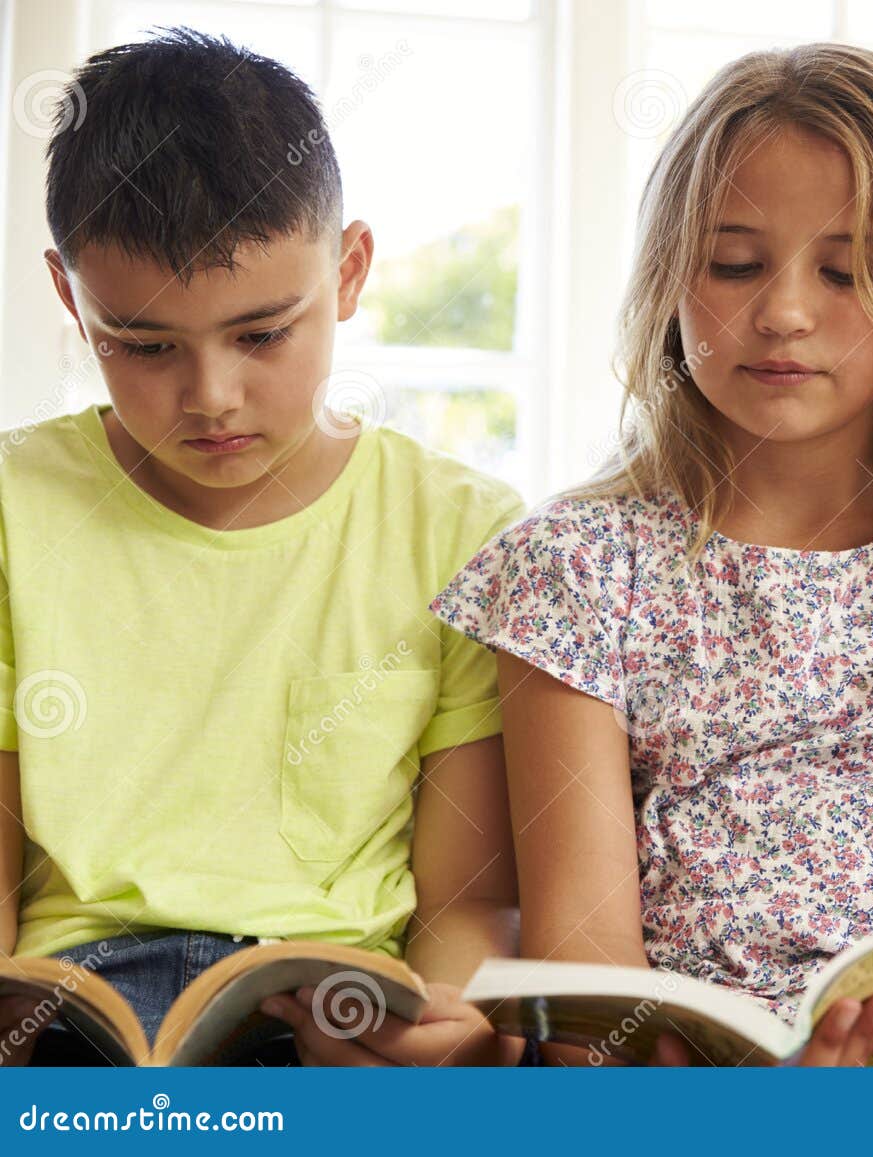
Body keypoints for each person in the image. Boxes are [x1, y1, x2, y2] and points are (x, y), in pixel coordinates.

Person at [432, 42, 873, 1067]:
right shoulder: (577, 567)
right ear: (668, 280)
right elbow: (584, 958)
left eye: (846, 270)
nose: (782, 311)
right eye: (734, 263)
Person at [0, 29, 526, 1066]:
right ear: (72, 299)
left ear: (350, 270)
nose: (211, 397)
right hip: (69, 1022)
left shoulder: (467, 531)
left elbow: (472, 904)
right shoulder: (16, 508)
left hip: (330, 1020)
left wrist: (445, 1027)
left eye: (263, 333)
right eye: (144, 346)